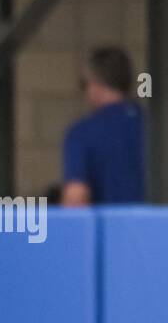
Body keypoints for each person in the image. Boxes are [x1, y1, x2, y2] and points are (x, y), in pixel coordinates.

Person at [61, 47, 145, 206]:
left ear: (95, 83)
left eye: (84, 84)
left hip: (109, 228)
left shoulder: (82, 133)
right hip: (159, 227)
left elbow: (76, 197)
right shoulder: (155, 127)